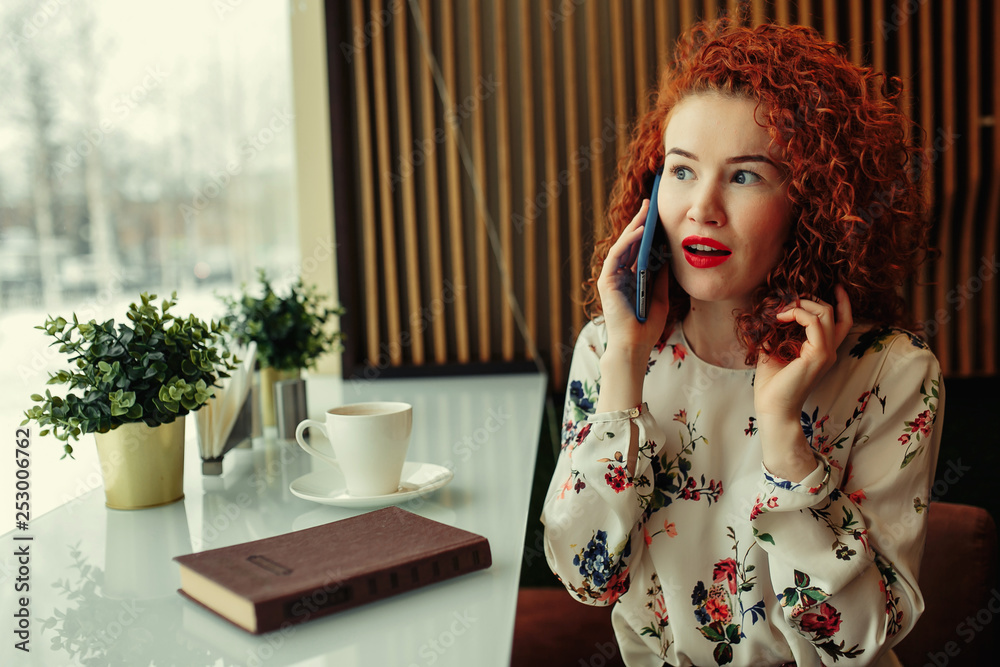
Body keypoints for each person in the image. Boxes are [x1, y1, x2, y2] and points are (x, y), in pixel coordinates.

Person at [541, 19, 942, 667]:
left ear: (810, 202)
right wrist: (625, 361)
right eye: (681, 170)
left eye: (746, 176)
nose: (702, 206)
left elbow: (855, 640)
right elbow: (590, 578)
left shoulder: (891, 374)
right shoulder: (609, 350)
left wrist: (785, 438)